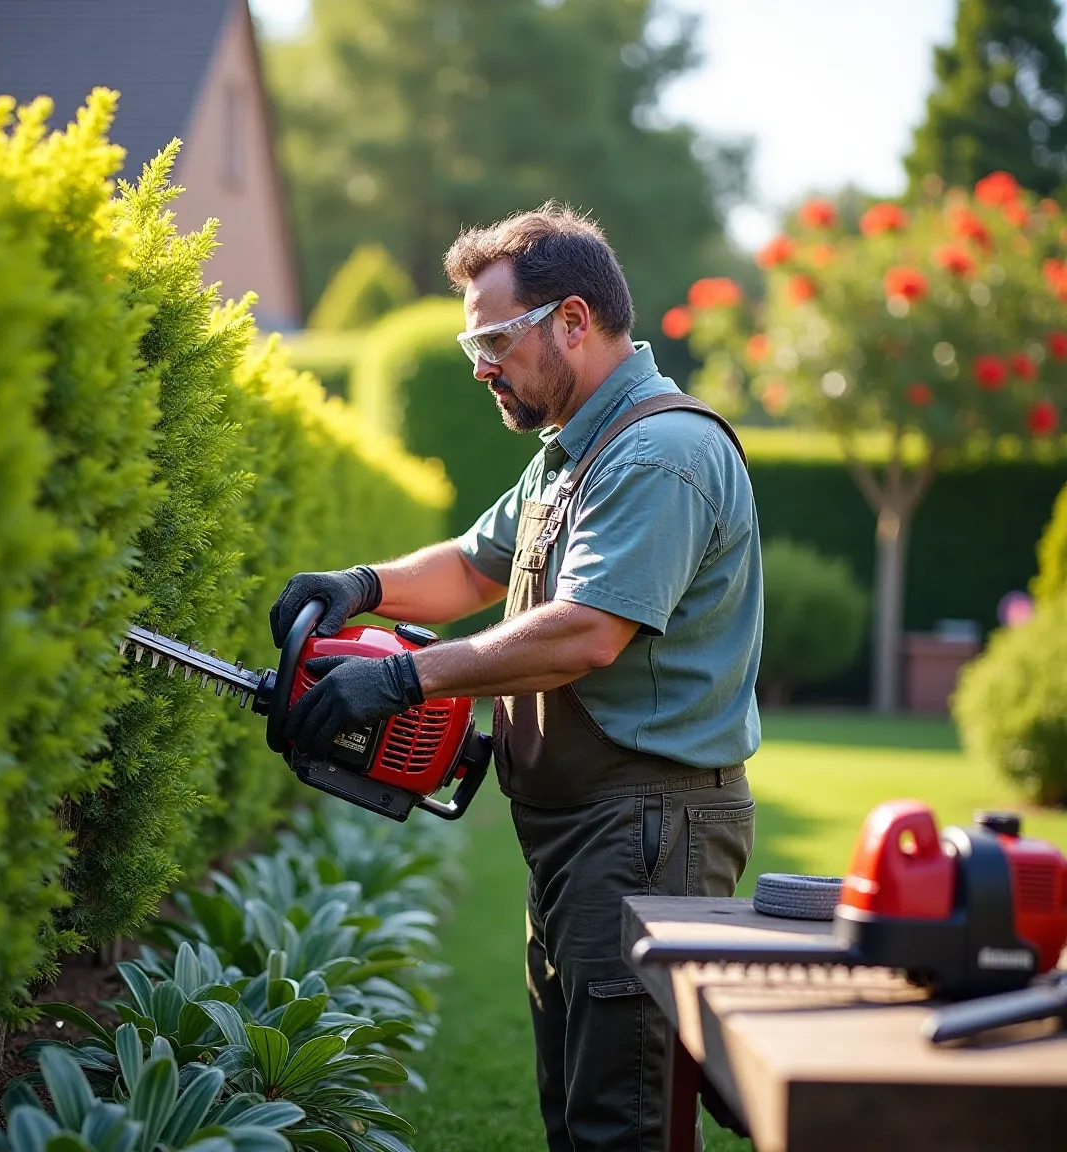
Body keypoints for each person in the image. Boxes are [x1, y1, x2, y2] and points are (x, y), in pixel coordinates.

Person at [270, 203, 762, 1152]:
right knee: (581, 1116)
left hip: (650, 832)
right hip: (590, 835)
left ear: (572, 321)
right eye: (471, 345)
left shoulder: (661, 454)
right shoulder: (574, 456)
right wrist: (361, 586)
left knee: (624, 1125)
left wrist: (408, 682)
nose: (482, 365)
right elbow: (471, 564)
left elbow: (584, 635)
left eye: (495, 339)